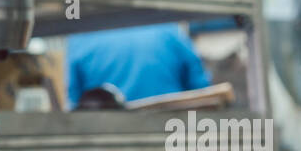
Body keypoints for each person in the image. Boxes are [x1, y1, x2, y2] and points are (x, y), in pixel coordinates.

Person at [66, 24, 211, 109]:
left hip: (110, 147)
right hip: (171, 140)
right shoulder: (167, 28)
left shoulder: (81, 37)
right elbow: (200, 89)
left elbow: (75, 99)